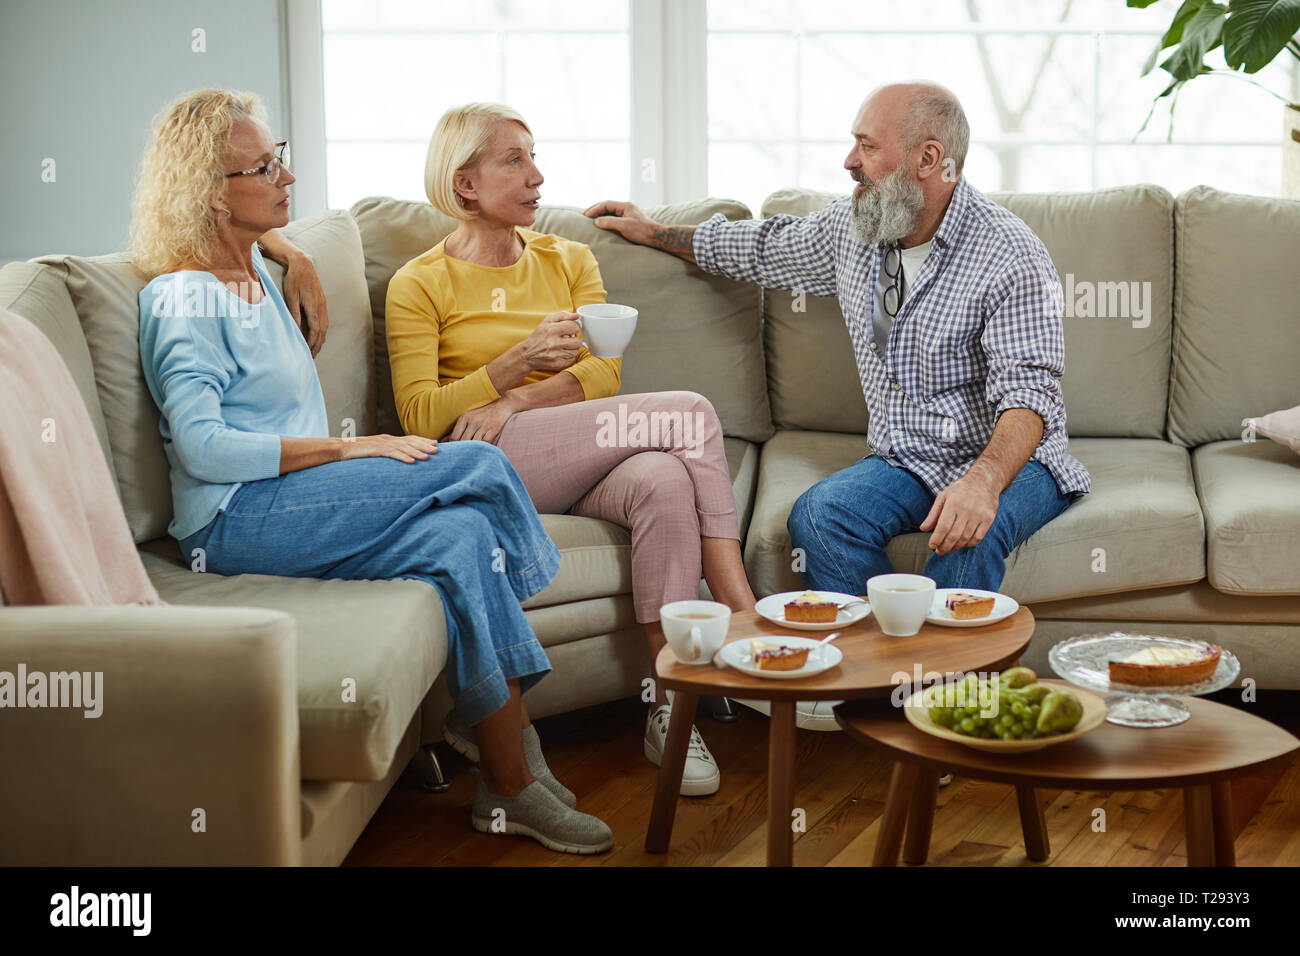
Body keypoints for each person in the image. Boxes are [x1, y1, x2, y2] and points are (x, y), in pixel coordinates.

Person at [130, 88, 613, 854]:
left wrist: (296, 253)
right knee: (479, 466)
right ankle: (519, 740)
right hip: (235, 519)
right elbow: (203, 448)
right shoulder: (184, 300)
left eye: (279, 154)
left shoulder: (260, 263)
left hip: (294, 500)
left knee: (460, 539)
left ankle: (505, 785)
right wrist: (347, 448)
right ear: (207, 195)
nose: (286, 176)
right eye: (262, 167)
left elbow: (262, 246)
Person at [586, 81, 1091, 706]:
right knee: (820, 517)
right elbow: (758, 247)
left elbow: (1029, 394)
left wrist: (982, 484)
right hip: (907, 456)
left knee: (969, 535)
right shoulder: (855, 228)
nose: (849, 161)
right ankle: (894, 686)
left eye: (866, 145)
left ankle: (942, 715)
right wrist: (654, 230)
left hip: (1009, 459)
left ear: (928, 160)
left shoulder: (1009, 254)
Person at [385, 103, 760, 795]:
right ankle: (742, 618)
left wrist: (514, 400)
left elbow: (603, 373)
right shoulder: (419, 282)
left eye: (534, 157)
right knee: (691, 416)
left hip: (565, 450)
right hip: (484, 466)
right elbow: (421, 414)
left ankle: (669, 707)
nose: (537, 176)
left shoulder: (569, 258)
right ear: (465, 183)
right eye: (514, 160)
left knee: (662, 481)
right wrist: (511, 363)